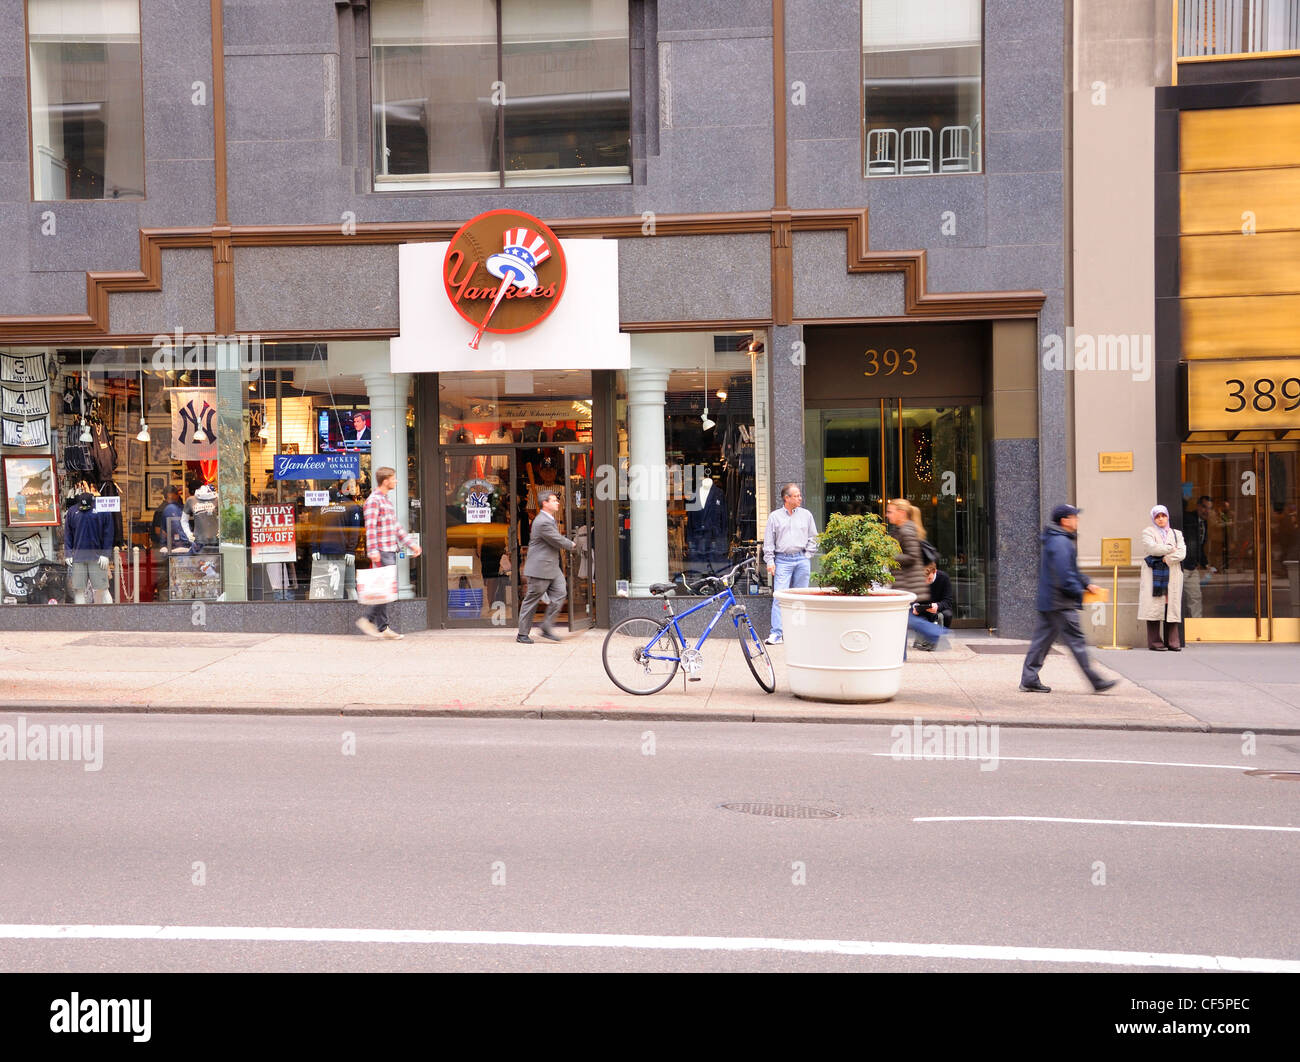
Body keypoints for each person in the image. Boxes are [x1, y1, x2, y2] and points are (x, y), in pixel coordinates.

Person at [1020, 504, 1118, 694]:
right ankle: (1096, 681)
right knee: (1077, 642)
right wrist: (1078, 591)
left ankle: (1029, 679)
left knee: (1041, 642)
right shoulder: (1061, 543)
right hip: (1061, 603)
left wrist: (1086, 582)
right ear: (1065, 520)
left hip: (1051, 601)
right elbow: (1065, 575)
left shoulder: (1057, 540)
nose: (1077, 520)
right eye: (1074, 517)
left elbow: (1070, 570)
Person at [356, 466, 421, 640]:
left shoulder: (385, 500)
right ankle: (369, 620)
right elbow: (369, 527)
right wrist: (373, 550)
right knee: (384, 589)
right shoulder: (373, 501)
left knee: (385, 590)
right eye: (394, 478)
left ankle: (381, 626)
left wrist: (411, 545)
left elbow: (396, 528)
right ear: (385, 481)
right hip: (382, 551)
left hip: (389, 550)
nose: (396, 481)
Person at [762, 482, 818, 645]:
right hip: (782, 560)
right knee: (779, 597)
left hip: (801, 559)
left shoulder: (806, 515)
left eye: (800, 495)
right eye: (796, 495)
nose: (800, 498)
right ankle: (777, 634)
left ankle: (798, 633)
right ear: (787, 498)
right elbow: (769, 541)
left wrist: (807, 555)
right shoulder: (775, 516)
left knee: (800, 597)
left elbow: (813, 537)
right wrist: (770, 561)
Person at [517, 489, 576, 644]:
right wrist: (572, 544)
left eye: (557, 500)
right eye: (554, 500)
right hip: (539, 568)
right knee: (532, 600)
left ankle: (546, 627)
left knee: (560, 592)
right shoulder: (542, 521)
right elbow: (556, 539)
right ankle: (522, 634)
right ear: (545, 503)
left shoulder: (548, 519)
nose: (557, 502)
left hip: (552, 567)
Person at [1139, 504, 1186, 651]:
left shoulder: (1177, 533)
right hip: (1154, 574)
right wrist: (1171, 549)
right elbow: (1152, 548)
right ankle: (1155, 642)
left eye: (1163, 516)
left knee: (1171, 606)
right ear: (1153, 518)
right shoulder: (1148, 532)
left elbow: (1182, 553)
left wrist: (1167, 559)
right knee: (1154, 606)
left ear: (1168, 516)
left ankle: (1172, 642)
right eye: (1157, 516)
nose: (1161, 519)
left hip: (1172, 573)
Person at [1181, 494, 1213, 620]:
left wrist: (1205, 563)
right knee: (1177, 598)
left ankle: (1197, 627)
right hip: (1182, 565)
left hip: (1192, 567)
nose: (1207, 511)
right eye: (1204, 507)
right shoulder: (1188, 519)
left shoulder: (1204, 523)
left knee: (1195, 597)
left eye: (1210, 508)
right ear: (1198, 506)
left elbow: (1199, 546)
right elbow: (1190, 544)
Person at [908, 562, 953, 652]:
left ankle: (940, 636)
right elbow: (911, 597)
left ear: (935, 571)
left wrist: (938, 606)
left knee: (947, 614)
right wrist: (914, 607)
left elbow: (948, 601)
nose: (926, 582)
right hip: (922, 609)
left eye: (929, 578)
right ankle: (924, 640)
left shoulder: (944, 578)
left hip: (937, 608)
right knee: (913, 615)